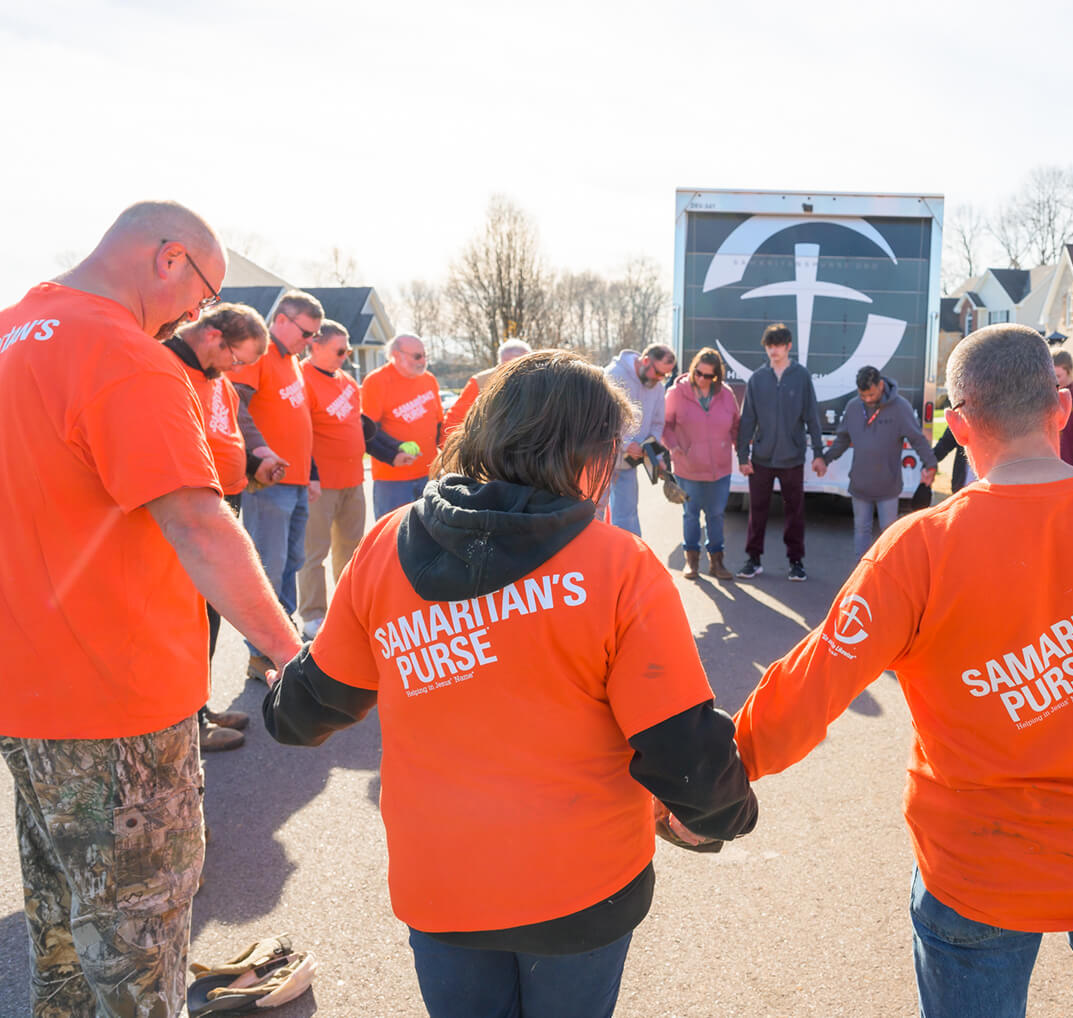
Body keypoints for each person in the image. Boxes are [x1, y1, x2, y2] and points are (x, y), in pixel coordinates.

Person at [733, 324, 1073, 1018]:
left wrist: (719, 775)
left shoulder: (917, 551)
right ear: (1062, 408)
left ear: (959, 424)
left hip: (979, 866)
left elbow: (815, 680)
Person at [263, 350, 758, 1018]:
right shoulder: (616, 566)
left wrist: (279, 687)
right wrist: (723, 817)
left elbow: (306, 710)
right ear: (586, 455)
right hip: (582, 891)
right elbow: (684, 748)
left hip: (441, 885)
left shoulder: (386, 545)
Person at [0, 202, 302, 1018]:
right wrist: (289, 654)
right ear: (170, 258)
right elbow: (200, 524)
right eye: (203, 294)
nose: (196, 315)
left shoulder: (10, 331)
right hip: (116, 706)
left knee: (64, 937)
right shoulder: (122, 354)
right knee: (138, 960)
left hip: (25, 699)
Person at [165, 302, 274, 751]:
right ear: (213, 337)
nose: (237, 368)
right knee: (184, 620)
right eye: (238, 358)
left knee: (207, 618)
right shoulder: (167, 369)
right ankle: (183, 722)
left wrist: (255, 463)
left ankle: (199, 707)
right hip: (190, 513)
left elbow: (224, 432)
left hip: (227, 500)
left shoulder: (216, 379)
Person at [229, 288, 324, 680]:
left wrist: (312, 473)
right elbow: (236, 405)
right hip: (269, 481)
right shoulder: (260, 355)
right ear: (281, 320)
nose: (309, 343)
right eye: (305, 333)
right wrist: (261, 452)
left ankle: (284, 645)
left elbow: (300, 424)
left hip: (297, 482)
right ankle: (262, 654)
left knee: (290, 565)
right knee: (268, 567)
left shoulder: (293, 362)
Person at [735, 323, 826, 580]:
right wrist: (743, 457)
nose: (774, 351)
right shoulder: (757, 379)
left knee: (794, 512)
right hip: (762, 459)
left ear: (788, 347)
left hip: (792, 459)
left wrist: (818, 453)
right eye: (769, 346)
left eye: (778, 346)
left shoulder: (801, 376)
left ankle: (796, 562)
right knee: (757, 512)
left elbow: (812, 418)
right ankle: (753, 560)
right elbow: (747, 420)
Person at [297, 321, 368, 640]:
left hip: (353, 480)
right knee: (315, 553)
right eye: (340, 350)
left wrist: (392, 451)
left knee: (352, 550)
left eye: (348, 350)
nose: (345, 356)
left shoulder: (348, 381)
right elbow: (299, 433)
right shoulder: (301, 378)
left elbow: (359, 424)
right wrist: (310, 475)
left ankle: (346, 611)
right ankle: (313, 616)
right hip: (320, 485)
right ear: (316, 346)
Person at [822, 365, 936, 556]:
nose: (867, 400)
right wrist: (825, 460)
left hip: (888, 487)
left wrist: (930, 464)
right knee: (861, 531)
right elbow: (842, 439)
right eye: (862, 395)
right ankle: (863, 573)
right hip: (860, 485)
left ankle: (888, 574)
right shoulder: (853, 407)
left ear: (881, 385)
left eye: (871, 395)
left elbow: (917, 439)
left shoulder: (900, 408)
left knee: (889, 533)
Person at [663, 347, 740, 580]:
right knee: (691, 514)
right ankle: (692, 562)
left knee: (716, 515)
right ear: (693, 368)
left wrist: (742, 452)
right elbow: (664, 424)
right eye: (699, 373)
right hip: (688, 468)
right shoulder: (677, 393)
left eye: (709, 376)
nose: (702, 379)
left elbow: (736, 425)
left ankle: (717, 563)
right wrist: (674, 447)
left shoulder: (726, 394)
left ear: (717, 376)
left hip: (720, 469)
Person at [363, 333, 440, 519]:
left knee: (430, 536)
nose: (423, 361)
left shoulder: (429, 380)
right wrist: (393, 454)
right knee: (394, 538)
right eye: (417, 356)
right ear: (397, 355)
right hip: (393, 480)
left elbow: (439, 424)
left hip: (428, 474)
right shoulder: (376, 381)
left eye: (424, 355)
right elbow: (367, 431)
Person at [602, 342, 676, 536]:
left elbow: (657, 424)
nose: (660, 379)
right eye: (659, 373)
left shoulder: (657, 387)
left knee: (627, 515)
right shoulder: (613, 375)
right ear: (645, 361)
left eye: (665, 375)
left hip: (628, 464)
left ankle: (631, 562)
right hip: (602, 459)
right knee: (596, 513)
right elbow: (601, 419)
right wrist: (625, 444)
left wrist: (655, 456)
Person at [444, 338, 532, 437]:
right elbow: (453, 421)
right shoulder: (480, 382)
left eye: (522, 364)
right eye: (507, 364)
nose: (513, 370)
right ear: (499, 364)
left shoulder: (540, 382)